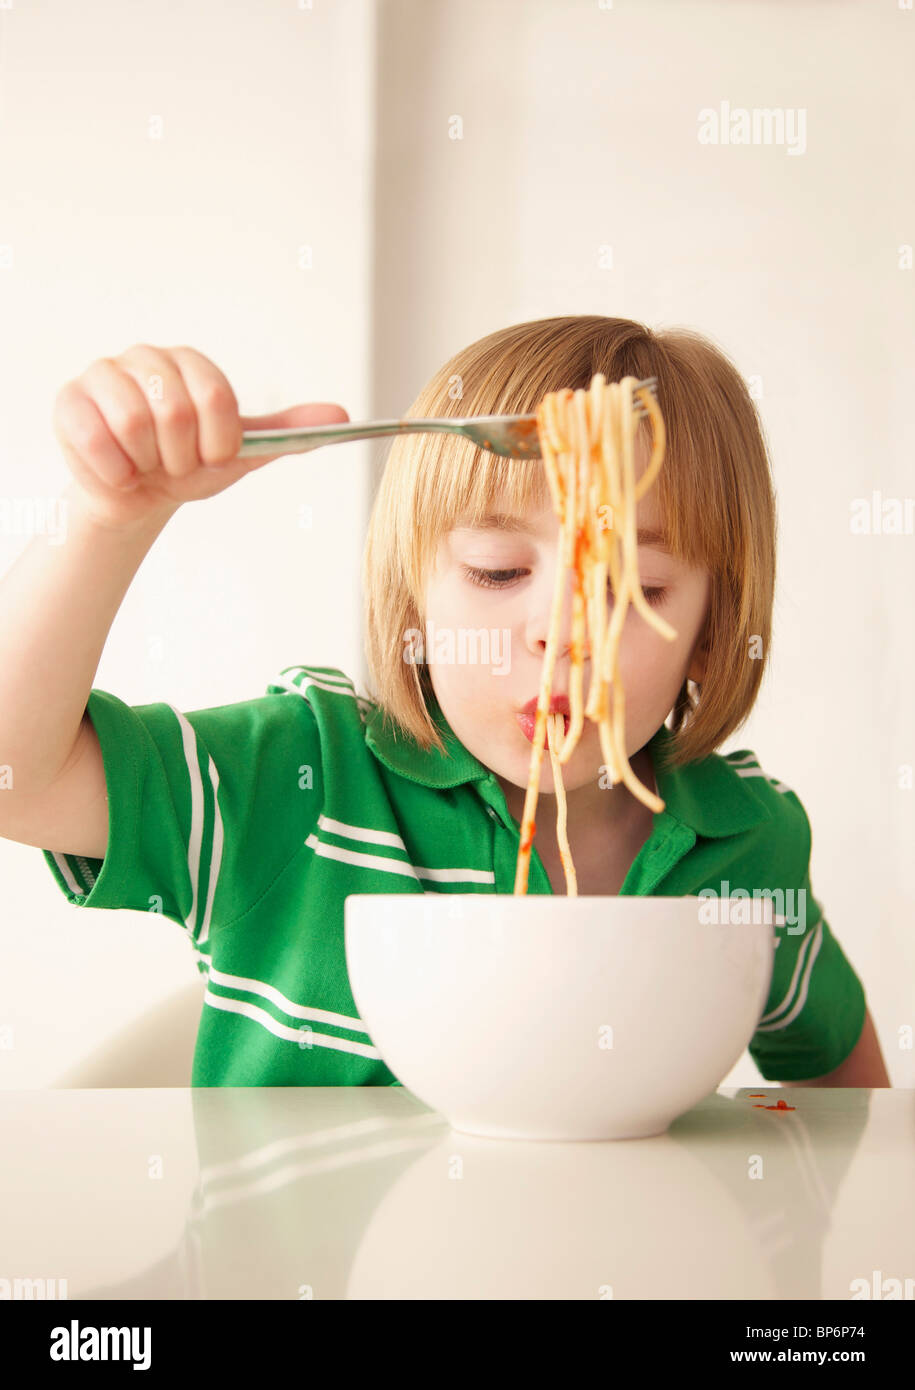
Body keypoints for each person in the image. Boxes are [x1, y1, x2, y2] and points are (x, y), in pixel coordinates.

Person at [0, 317, 890, 1087]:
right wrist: (106, 519)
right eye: (496, 572)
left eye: (633, 586)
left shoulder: (745, 843)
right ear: (417, 602)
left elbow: (844, 1109)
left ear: (709, 629)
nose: (561, 631)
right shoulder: (303, 779)